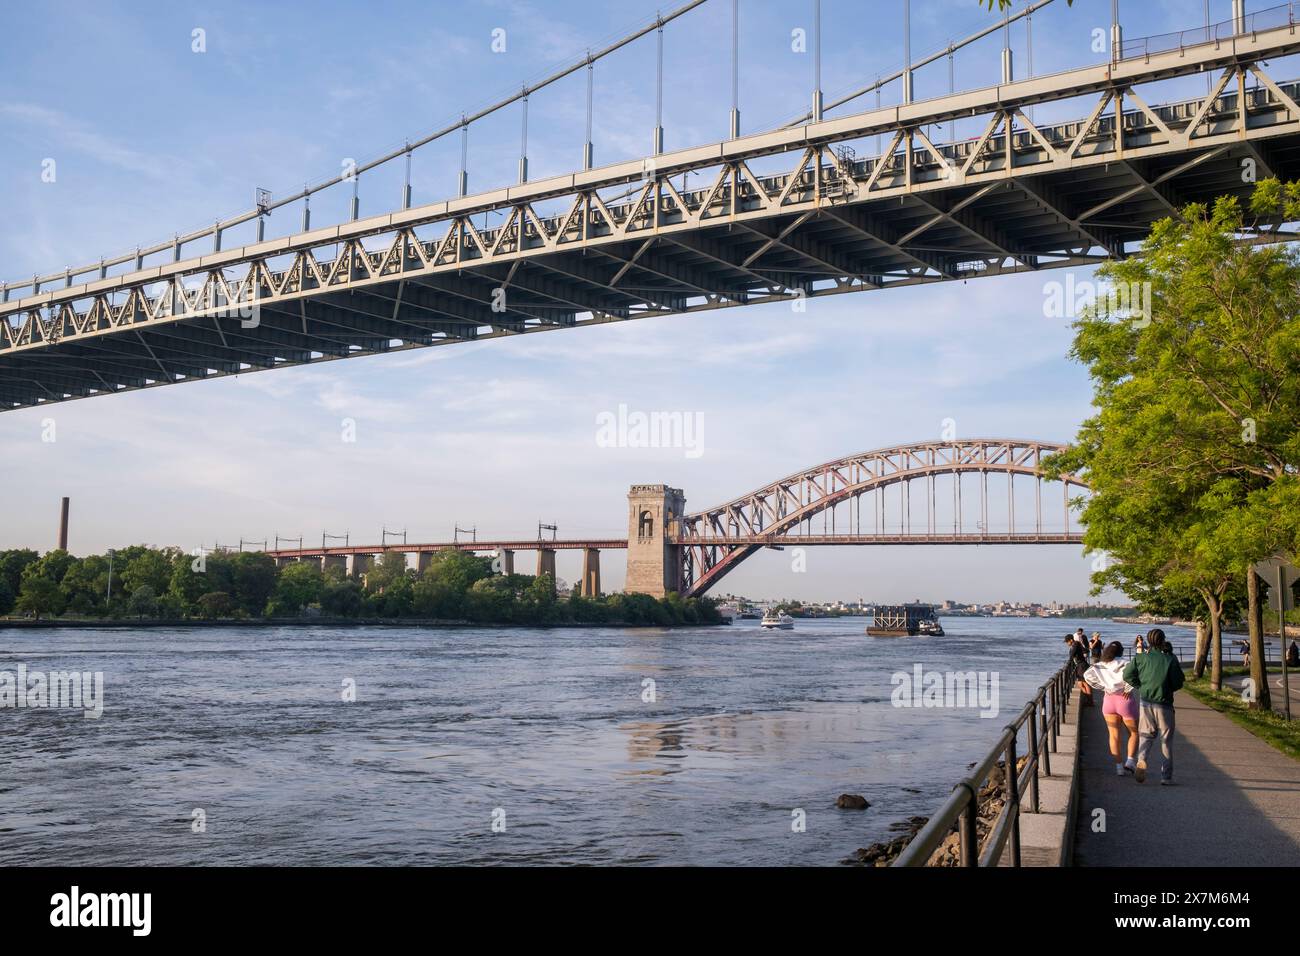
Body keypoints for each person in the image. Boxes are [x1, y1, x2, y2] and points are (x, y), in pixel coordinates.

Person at [1122, 628, 1184, 785]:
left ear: (1148, 641)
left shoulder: (1141, 657)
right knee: (1166, 740)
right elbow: (1178, 682)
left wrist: (1141, 686)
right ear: (1163, 640)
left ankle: (1141, 760)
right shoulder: (1170, 659)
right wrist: (1168, 688)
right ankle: (1166, 777)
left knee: (1146, 736)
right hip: (1165, 704)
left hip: (1146, 702)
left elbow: (1127, 675)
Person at [1083, 641, 1139, 776]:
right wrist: (1128, 688)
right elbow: (1138, 675)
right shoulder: (1127, 663)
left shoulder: (1100, 665)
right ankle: (1130, 762)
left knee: (1113, 735)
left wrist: (1103, 687)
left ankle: (1119, 767)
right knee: (1133, 733)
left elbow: (1087, 676)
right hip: (1125, 700)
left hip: (1108, 700)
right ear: (1121, 651)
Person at [1065, 635, 1093, 706]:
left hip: (1082, 666)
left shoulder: (1075, 644)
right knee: (1080, 684)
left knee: (1085, 683)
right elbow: (1085, 650)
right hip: (1080, 665)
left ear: (1071, 640)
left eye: (1067, 642)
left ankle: (1090, 701)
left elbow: (1072, 654)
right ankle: (1088, 699)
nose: (1067, 643)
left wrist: (1069, 660)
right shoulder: (1076, 644)